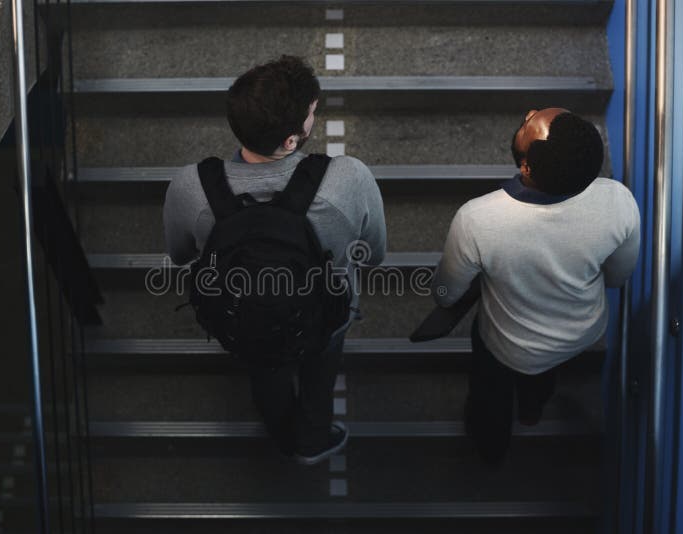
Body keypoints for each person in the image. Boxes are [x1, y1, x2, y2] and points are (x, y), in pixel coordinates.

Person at [163, 55, 387, 465]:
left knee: (265, 370)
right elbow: (375, 254)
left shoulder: (190, 187)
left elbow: (180, 256)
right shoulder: (350, 179)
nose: (314, 116)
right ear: (290, 141)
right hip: (325, 313)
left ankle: (281, 429)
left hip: (242, 315)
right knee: (322, 369)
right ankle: (313, 434)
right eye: (311, 114)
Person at [431, 108, 640, 464]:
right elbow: (617, 279)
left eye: (530, 125)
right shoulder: (619, 200)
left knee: (490, 394)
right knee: (540, 377)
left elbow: (446, 293)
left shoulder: (479, 218)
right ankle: (531, 410)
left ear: (526, 167)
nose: (528, 114)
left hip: (507, 344)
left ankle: (490, 450)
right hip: (578, 334)